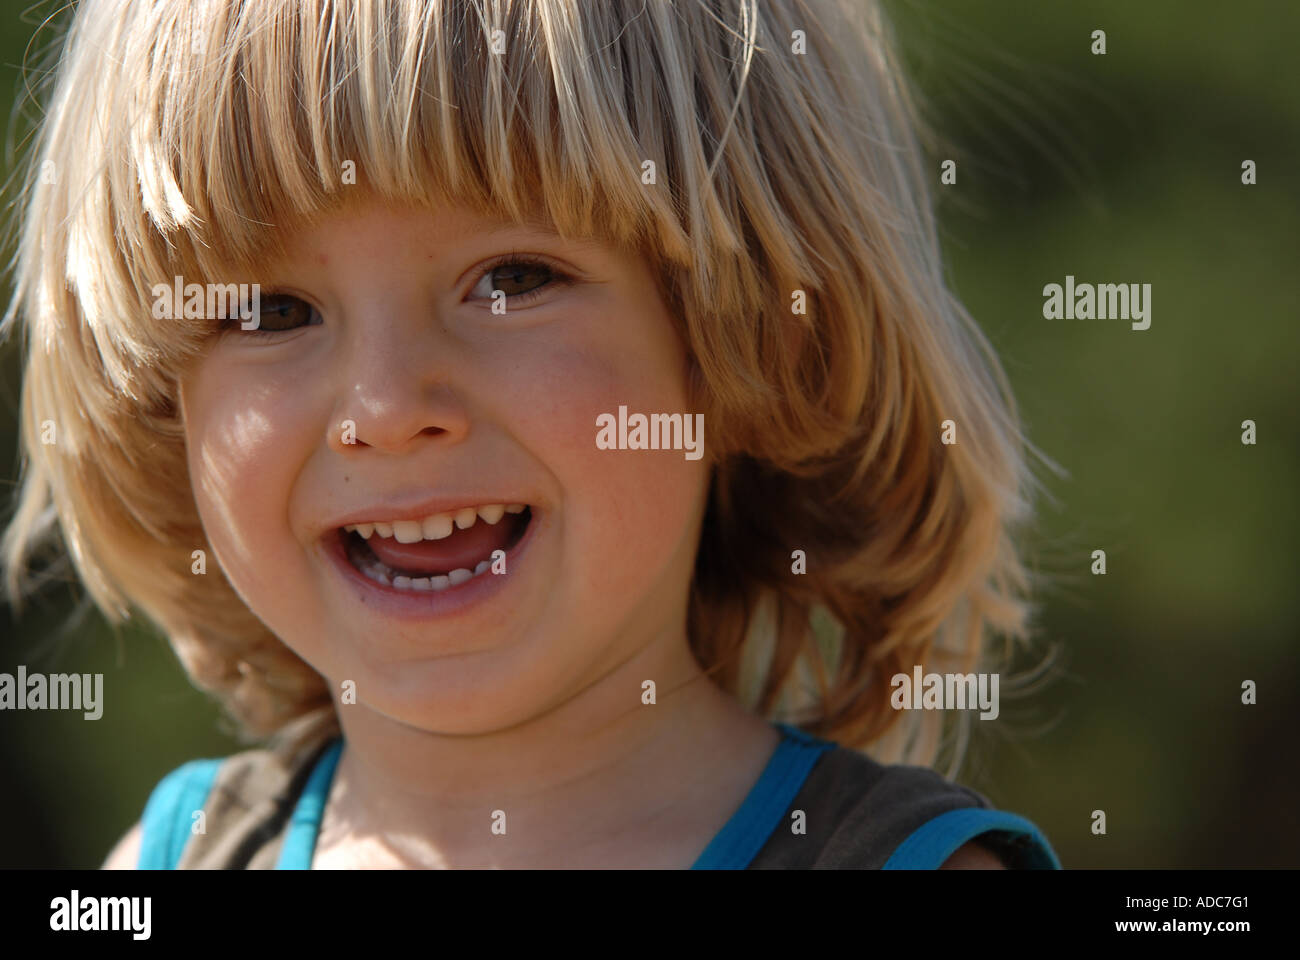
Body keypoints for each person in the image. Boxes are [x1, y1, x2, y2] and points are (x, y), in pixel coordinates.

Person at [1, 0, 1058, 869]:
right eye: (271, 313)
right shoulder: (174, 858)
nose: (383, 409)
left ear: (733, 338)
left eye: (511, 280)